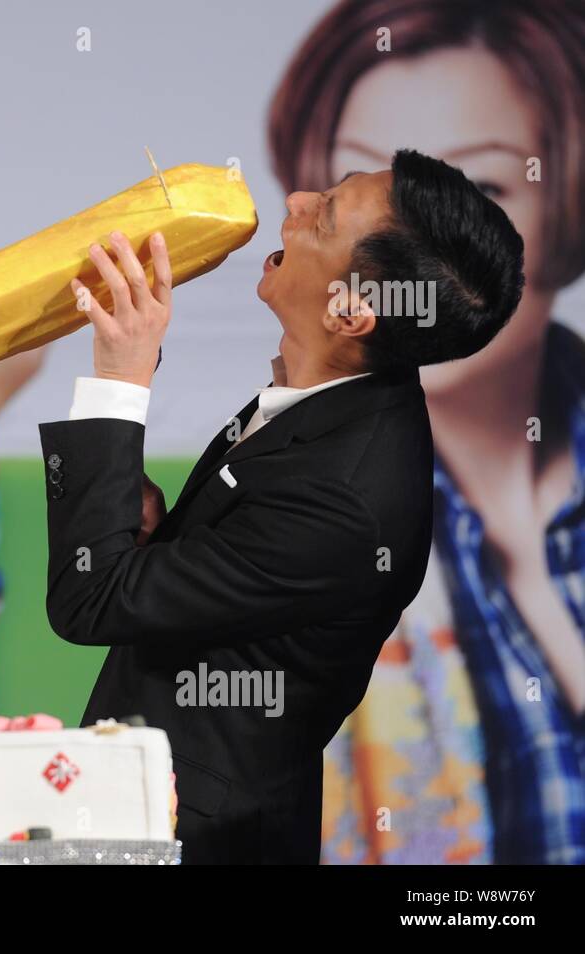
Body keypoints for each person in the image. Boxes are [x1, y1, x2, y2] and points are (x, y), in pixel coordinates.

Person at [40, 149, 525, 863]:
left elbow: (89, 601)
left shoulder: (345, 498)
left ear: (354, 313)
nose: (296, 200)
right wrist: (150, 536)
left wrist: (121, 377)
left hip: (195, 837)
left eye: (324, 215)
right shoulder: (332, 401)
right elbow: (222, 590)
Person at [268, 0, 585, 865]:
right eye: (359, 201)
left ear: (568, 211)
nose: (407, 266)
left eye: (479, 193)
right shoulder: (291, 494)